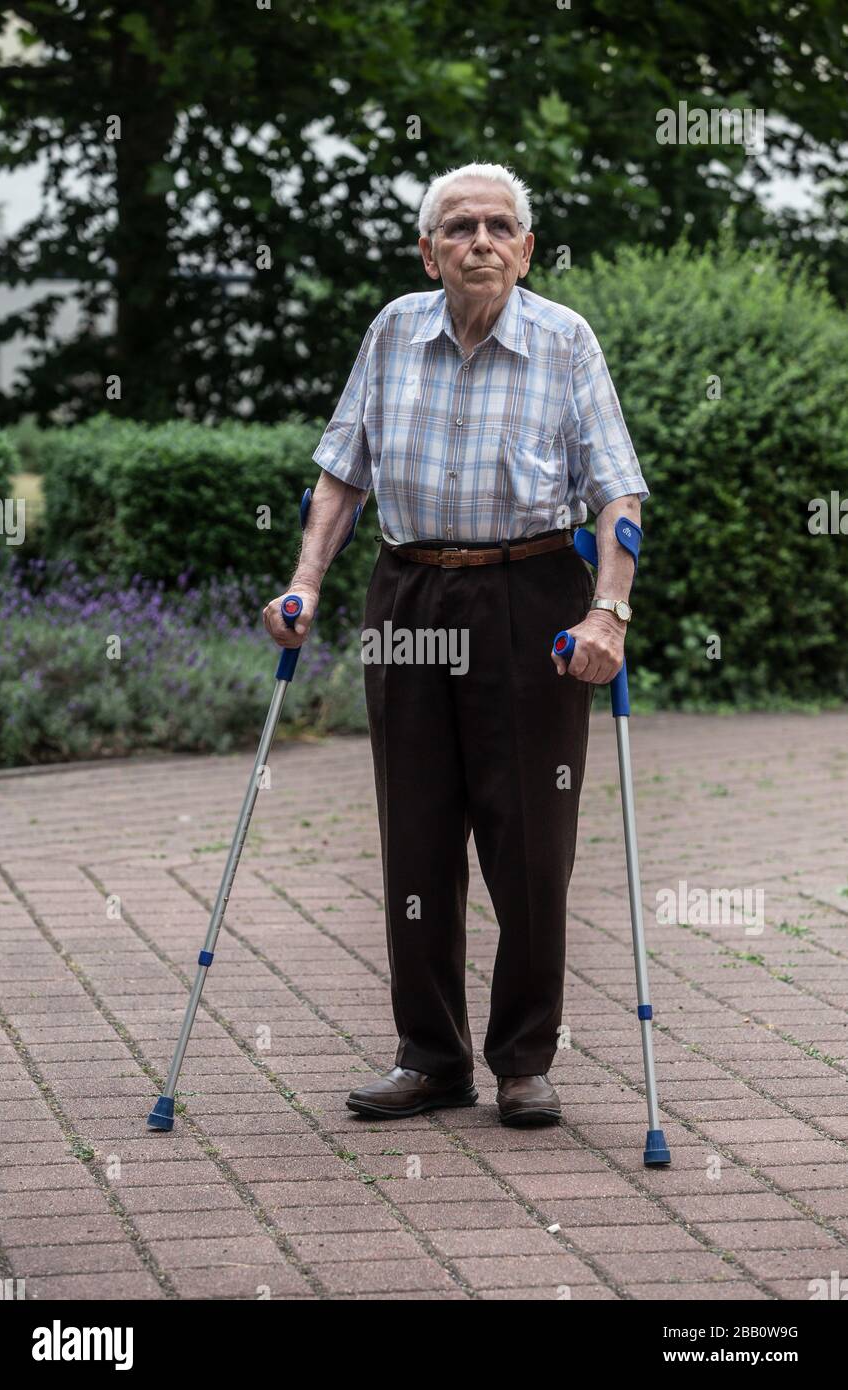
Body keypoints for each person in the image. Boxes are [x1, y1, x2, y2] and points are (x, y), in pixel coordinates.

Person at [263, 161, 649, 1126]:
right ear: (428, 250)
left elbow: (618, 494)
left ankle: (524, 1059)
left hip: (529, 598)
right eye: (461, 226)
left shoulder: (566, 341)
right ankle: (431, 1057)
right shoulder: (393, 330)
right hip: (408, 593)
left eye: (500, 226)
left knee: (528, 836)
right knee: (417, 831)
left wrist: (609, 613)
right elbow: (340, 478)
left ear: (524, 249)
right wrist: (304, 585)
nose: (481, 240)